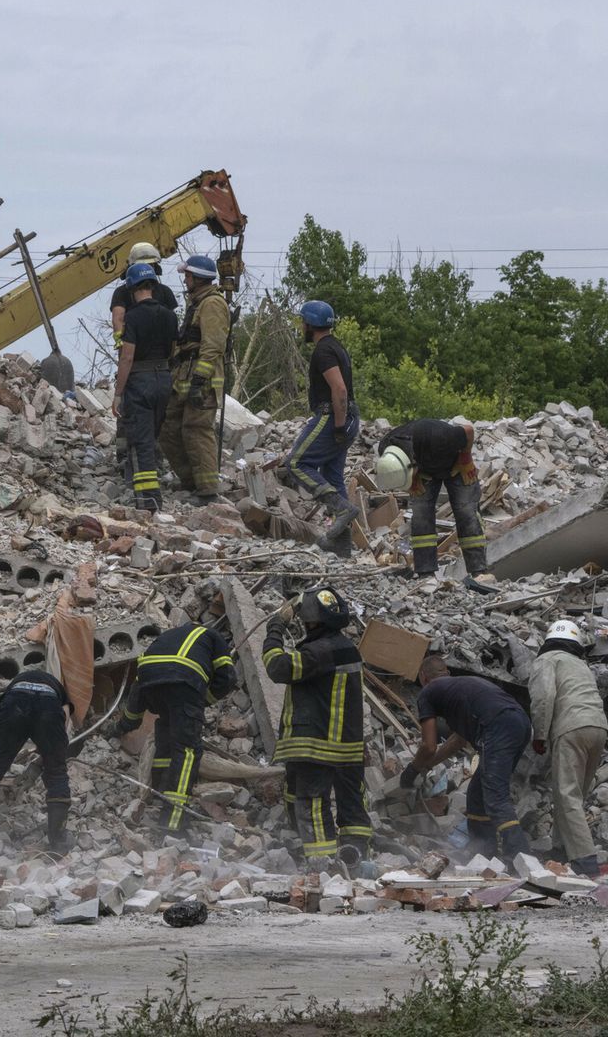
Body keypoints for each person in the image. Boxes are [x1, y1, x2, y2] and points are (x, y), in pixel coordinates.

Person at [262, 588, 371, 867]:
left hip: (318, 742)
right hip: (346, 743)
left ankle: (324, 865)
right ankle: (355, 854)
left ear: (312, 621)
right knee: (351, 799)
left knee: (310, 798)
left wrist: (275, 627)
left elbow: (278, 667)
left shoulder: (320, 651)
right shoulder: (345, 648)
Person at [114, 619, 237, 837]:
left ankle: (158, 792)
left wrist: (125, 725)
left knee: (167, 737)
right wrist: (202, 700)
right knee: (187, 751)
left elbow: (137, 689)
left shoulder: (167, 636)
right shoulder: (212, 636)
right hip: (183, 682)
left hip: (149, 680)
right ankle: (173, 820)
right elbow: (227, 678)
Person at [404, 663, 533, 857]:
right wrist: (428, 765)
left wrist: (413, 769)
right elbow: (458, 740)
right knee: (477, 794)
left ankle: (522, 857)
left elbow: (428, 745)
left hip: (497, 727)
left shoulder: (428, 692)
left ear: (423, 677)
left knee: (495, 797)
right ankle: (483, 852)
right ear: (447, 673)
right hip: (521, 724)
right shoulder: (462, 688)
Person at [0, 668, 73, 858]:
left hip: (14, 704)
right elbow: (63, 725)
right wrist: (50, 752)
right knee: (57, 773)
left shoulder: (14, 686)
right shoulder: (61, 695)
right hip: (49, 708)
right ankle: (58, 843)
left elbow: (0, 716)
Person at [527, 619, 607, 878]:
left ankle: (585, 861)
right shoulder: (580, 664)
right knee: (573, 796)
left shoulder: (547, 660)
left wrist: (539, 733)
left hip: (571, 727)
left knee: (566, 794)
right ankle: (560, 851)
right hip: (598, 728)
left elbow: (543, 696)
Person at [284, 300, 361, 554]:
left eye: (303, 321)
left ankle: (341, 508)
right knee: (333, 477)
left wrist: (338, 426)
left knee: (296, 463)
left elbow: (338, 389)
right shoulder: (336, 346)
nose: (301, 326)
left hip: (333, 416)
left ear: (310, 324)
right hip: (347, 416)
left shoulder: (323, 352)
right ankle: (342, 546)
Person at [374, 419, 492, 581]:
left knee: (466, 511)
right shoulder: (386, 449)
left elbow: (468, 431)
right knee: (421, 514)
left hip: (454, 463)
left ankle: (479, 571)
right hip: (424, 470)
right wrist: (411, 482)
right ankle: (425, 573)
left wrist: (465, 459)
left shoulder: (440, 437)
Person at [159, 254, 231, 501]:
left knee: (196, 429)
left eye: (188, 275)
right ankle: (191, 481)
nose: (185, 279)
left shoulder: (212, 304)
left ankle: (208, 490)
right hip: (184, 376)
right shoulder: (198, 303)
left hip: (202, 380)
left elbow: (213, 346)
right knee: (168, 426)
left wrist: (200, 380)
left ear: (199, 278)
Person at [110, 265, 176, 511]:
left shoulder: (133, 318)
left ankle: (148, 499)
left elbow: (127, 357)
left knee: (141, 441)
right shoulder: (170, 315)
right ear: (152, 285)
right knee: (154, 434)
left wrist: (118, 393)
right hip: (164, 378)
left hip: (140, 380)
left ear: (131, 288)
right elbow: (171, 349)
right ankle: (151, 496)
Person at [108, 242, 178, 351]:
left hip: (143, 352)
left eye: (150, 265)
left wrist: (122, 346)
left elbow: (118, 319)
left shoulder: (165, 291)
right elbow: (118, 319)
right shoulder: (165, 291)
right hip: (151, 353)